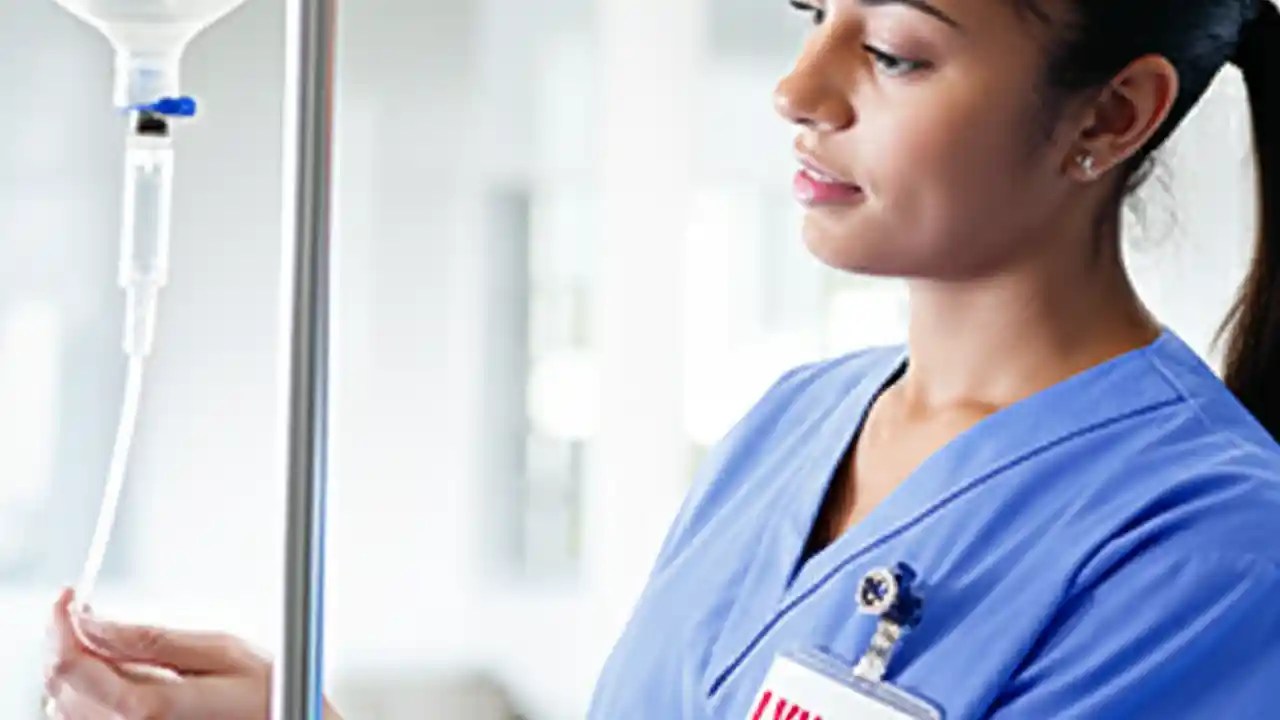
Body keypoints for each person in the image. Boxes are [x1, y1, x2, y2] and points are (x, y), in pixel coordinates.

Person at [44, 0, 1280, 716]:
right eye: (811, 14)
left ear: (1110, 114)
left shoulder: (1208, 545)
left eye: (893, 51)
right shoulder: (793, 425)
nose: (799, 87)